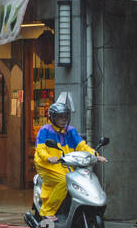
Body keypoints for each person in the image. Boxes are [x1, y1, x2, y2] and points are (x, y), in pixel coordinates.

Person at [33, 91, 105, 221]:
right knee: (63, 181)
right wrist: (48, 158)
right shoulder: (44, 130)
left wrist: (96, 155)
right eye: (60, 117)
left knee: (75, 180)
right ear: (52, 118)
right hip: (46, 164)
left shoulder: (70, 131)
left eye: (65, 117)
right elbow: (40, 149)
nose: (63, 120)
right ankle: (47, 211)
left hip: (64, 163)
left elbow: (82, 145)